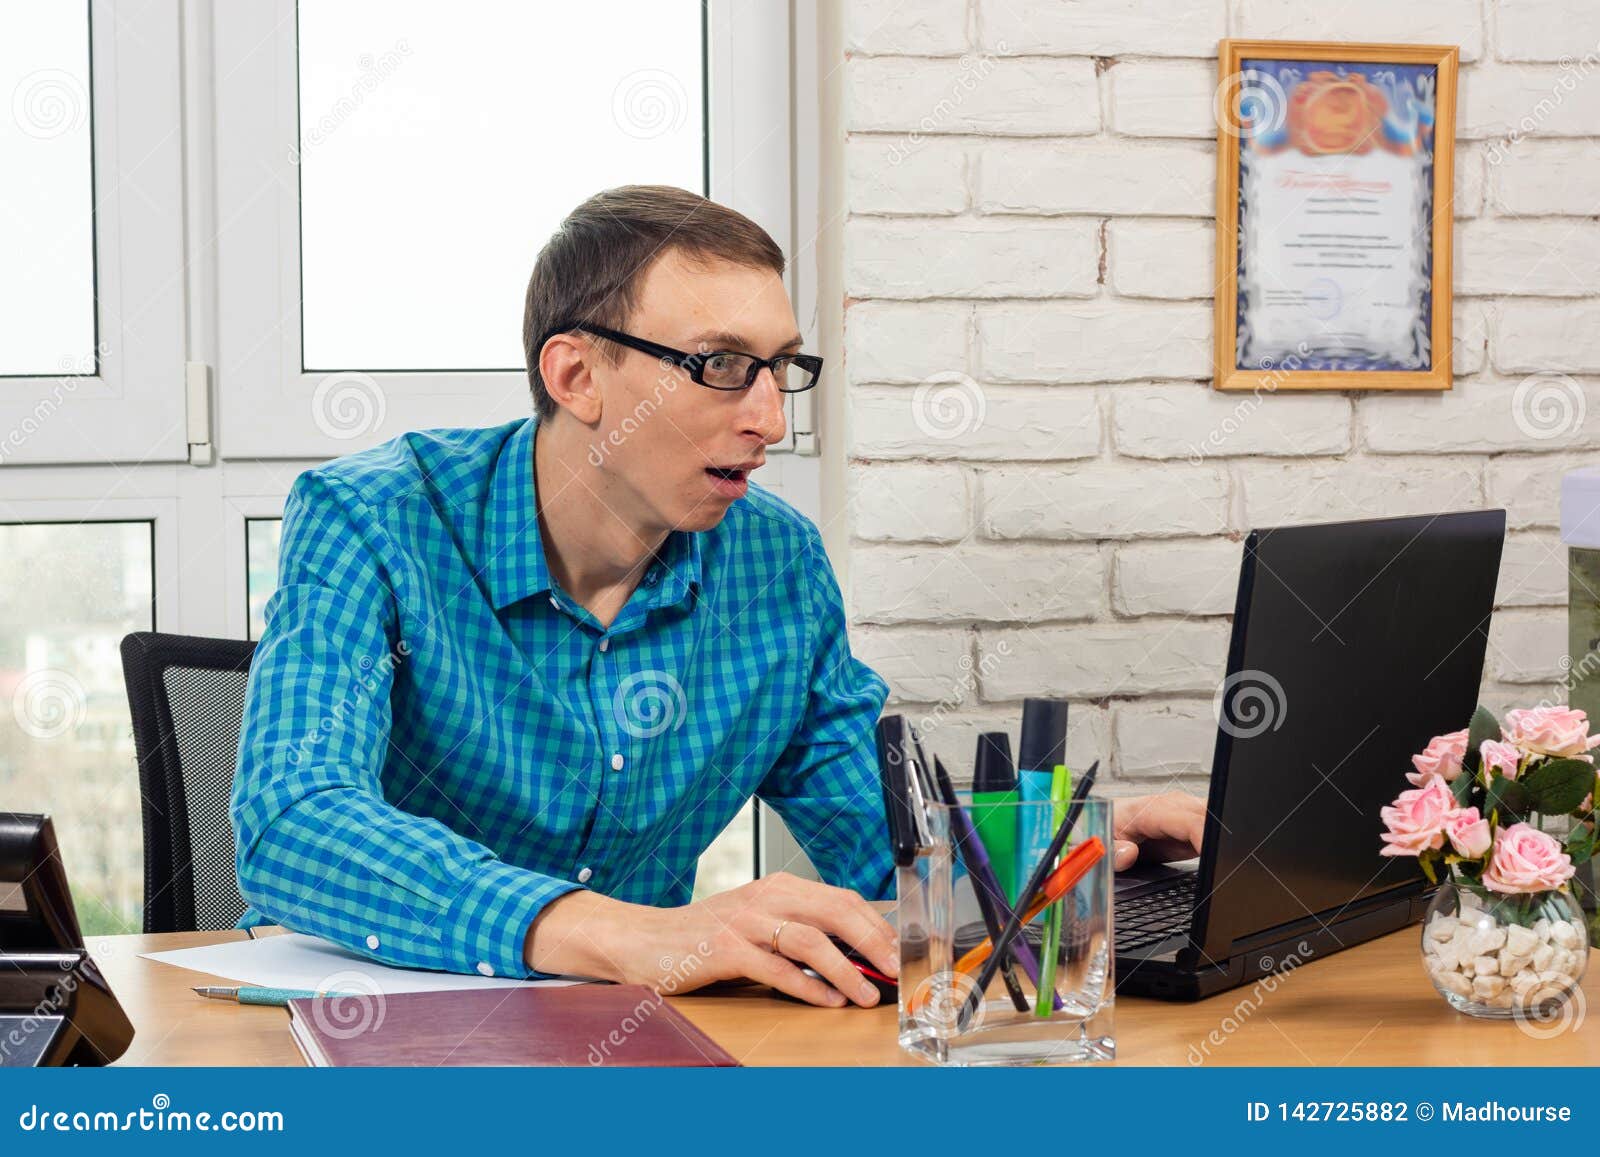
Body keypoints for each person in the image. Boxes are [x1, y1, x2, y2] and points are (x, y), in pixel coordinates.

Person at [231, 185, 1205, 1009]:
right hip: (363, 1027)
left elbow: (888, 853)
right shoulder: (373, 518)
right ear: (576, 374)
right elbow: (292, 821)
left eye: (781, 368)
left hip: (637, 1044)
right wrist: (628, 936)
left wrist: (1057, 858)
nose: (771, 417)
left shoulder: (773, 562)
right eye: (721, 366)